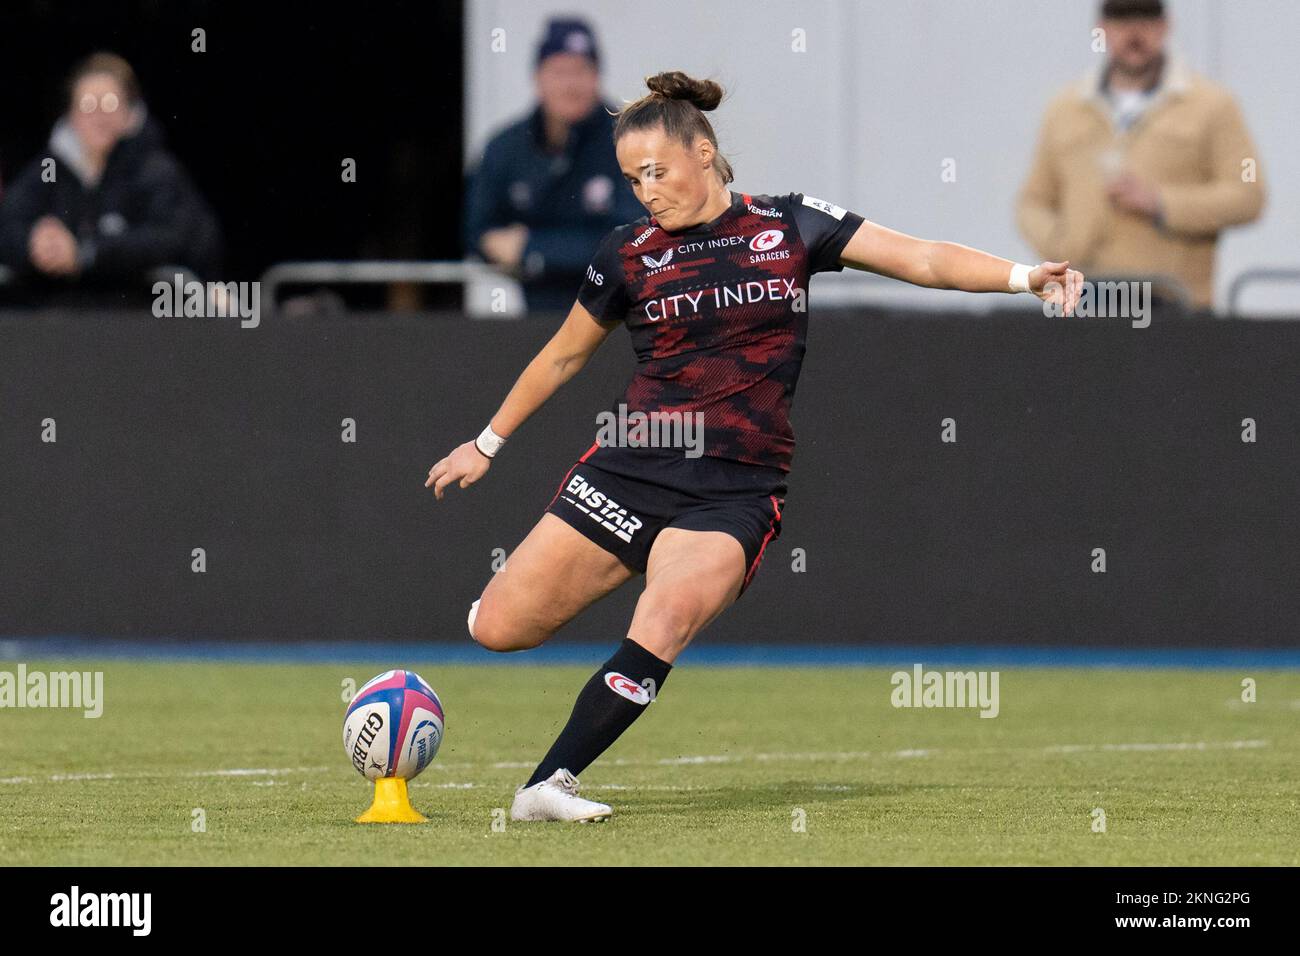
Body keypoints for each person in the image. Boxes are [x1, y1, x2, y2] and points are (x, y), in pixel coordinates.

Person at [427, 71, 1082, 822]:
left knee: (665, 619)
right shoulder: (628, 254)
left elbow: (923, 259)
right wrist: (487, 442)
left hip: (734, 489)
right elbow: (563, 357)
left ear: (703, 153)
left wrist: (1024, 275)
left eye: (658, 171)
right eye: (631, 177)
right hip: (632, 467)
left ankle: (547, 785)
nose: (646, 190)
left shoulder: (789, 226)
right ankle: (509, 620)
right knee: (500, 629)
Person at [1017, 0, 1265, 310]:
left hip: (1173, 301)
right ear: (1102, 28)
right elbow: (1032, 201)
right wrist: (1061, 243)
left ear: (1165, 25)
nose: (1134, 32)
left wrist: (1162, 203)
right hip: (1086, 297)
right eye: (1121, 19)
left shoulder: (1211, 105)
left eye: (1146, 18)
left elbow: (1248, 195)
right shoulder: (1067, 108)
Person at [0, 52, 222, 300]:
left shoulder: (155, 170)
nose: (98, 116)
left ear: (130, 112)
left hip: (139, 316)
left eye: (109, 104)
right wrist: (34, 243)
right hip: (58, 319)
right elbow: (9, 223)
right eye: (87, 105)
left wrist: (88, 253)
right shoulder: (48, 169)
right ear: (70, 114)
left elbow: (177, 239)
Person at [462, 18, 643, 313]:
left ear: (597, 76)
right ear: (538, 77)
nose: (570, 85)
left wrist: (532, 247)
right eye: (559, 72)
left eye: (581, 71)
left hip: (621, 320)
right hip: (536, 319)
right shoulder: (506, 147)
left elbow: (636, 237)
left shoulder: (630, 140)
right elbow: (477, 232)